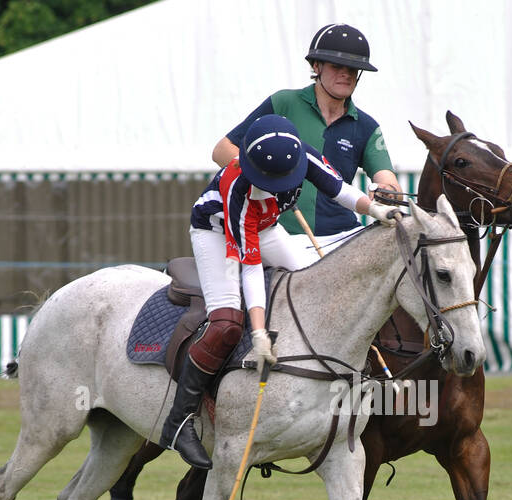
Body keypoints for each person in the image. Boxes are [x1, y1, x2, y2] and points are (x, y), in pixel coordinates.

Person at [162, 115, 397, 469]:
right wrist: (258, 332)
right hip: (215, 230)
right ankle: (179, 422)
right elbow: (251, 268)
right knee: (226, 321)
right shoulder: (237, 187)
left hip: (267, 225)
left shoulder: (301, 154)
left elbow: (340, 190)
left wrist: (374, 208)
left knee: (313, 287)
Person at [211, 24, 402, 253]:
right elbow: (222, 150)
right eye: (336, 66)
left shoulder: (367, 126)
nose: (346, 73)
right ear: (316, 66)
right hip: (279, 236)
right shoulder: (283, 103)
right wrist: (265, 175)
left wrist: (386, 191)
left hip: (342, 238)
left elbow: (389, 181)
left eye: (353, 69)